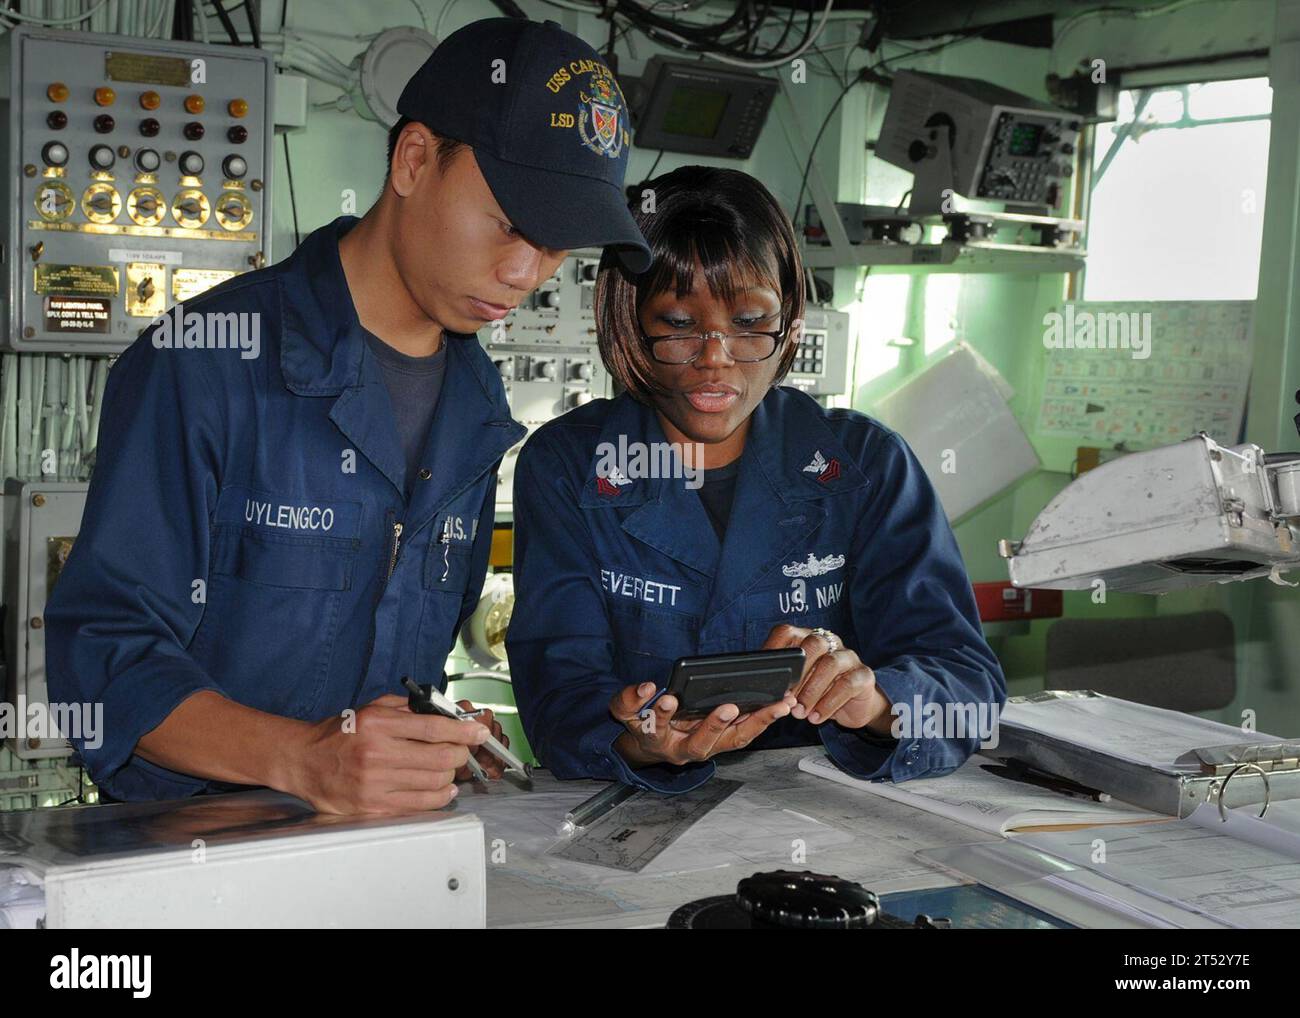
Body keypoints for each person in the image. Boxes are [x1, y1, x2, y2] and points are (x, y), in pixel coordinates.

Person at [44, 18, 649, 812]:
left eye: (559, 247)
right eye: (511, 225)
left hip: (377, 846)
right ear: (414, 160)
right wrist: (305, 759)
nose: (525, 272)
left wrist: (422, 737)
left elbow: (389, 662)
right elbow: (102, 661)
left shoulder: (477, 405)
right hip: (188, 844)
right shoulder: (206, 363)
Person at [506, 165, 1005, 794]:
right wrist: (640, 742)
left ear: (789, 322)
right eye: (678, 324)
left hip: (823, 814)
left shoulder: (866, 465)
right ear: (630, 321)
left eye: (748, 322)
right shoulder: (568, 467)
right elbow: (558, 700)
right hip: (633, 814)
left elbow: (969, 693)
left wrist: (878, 704)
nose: (714, 359)